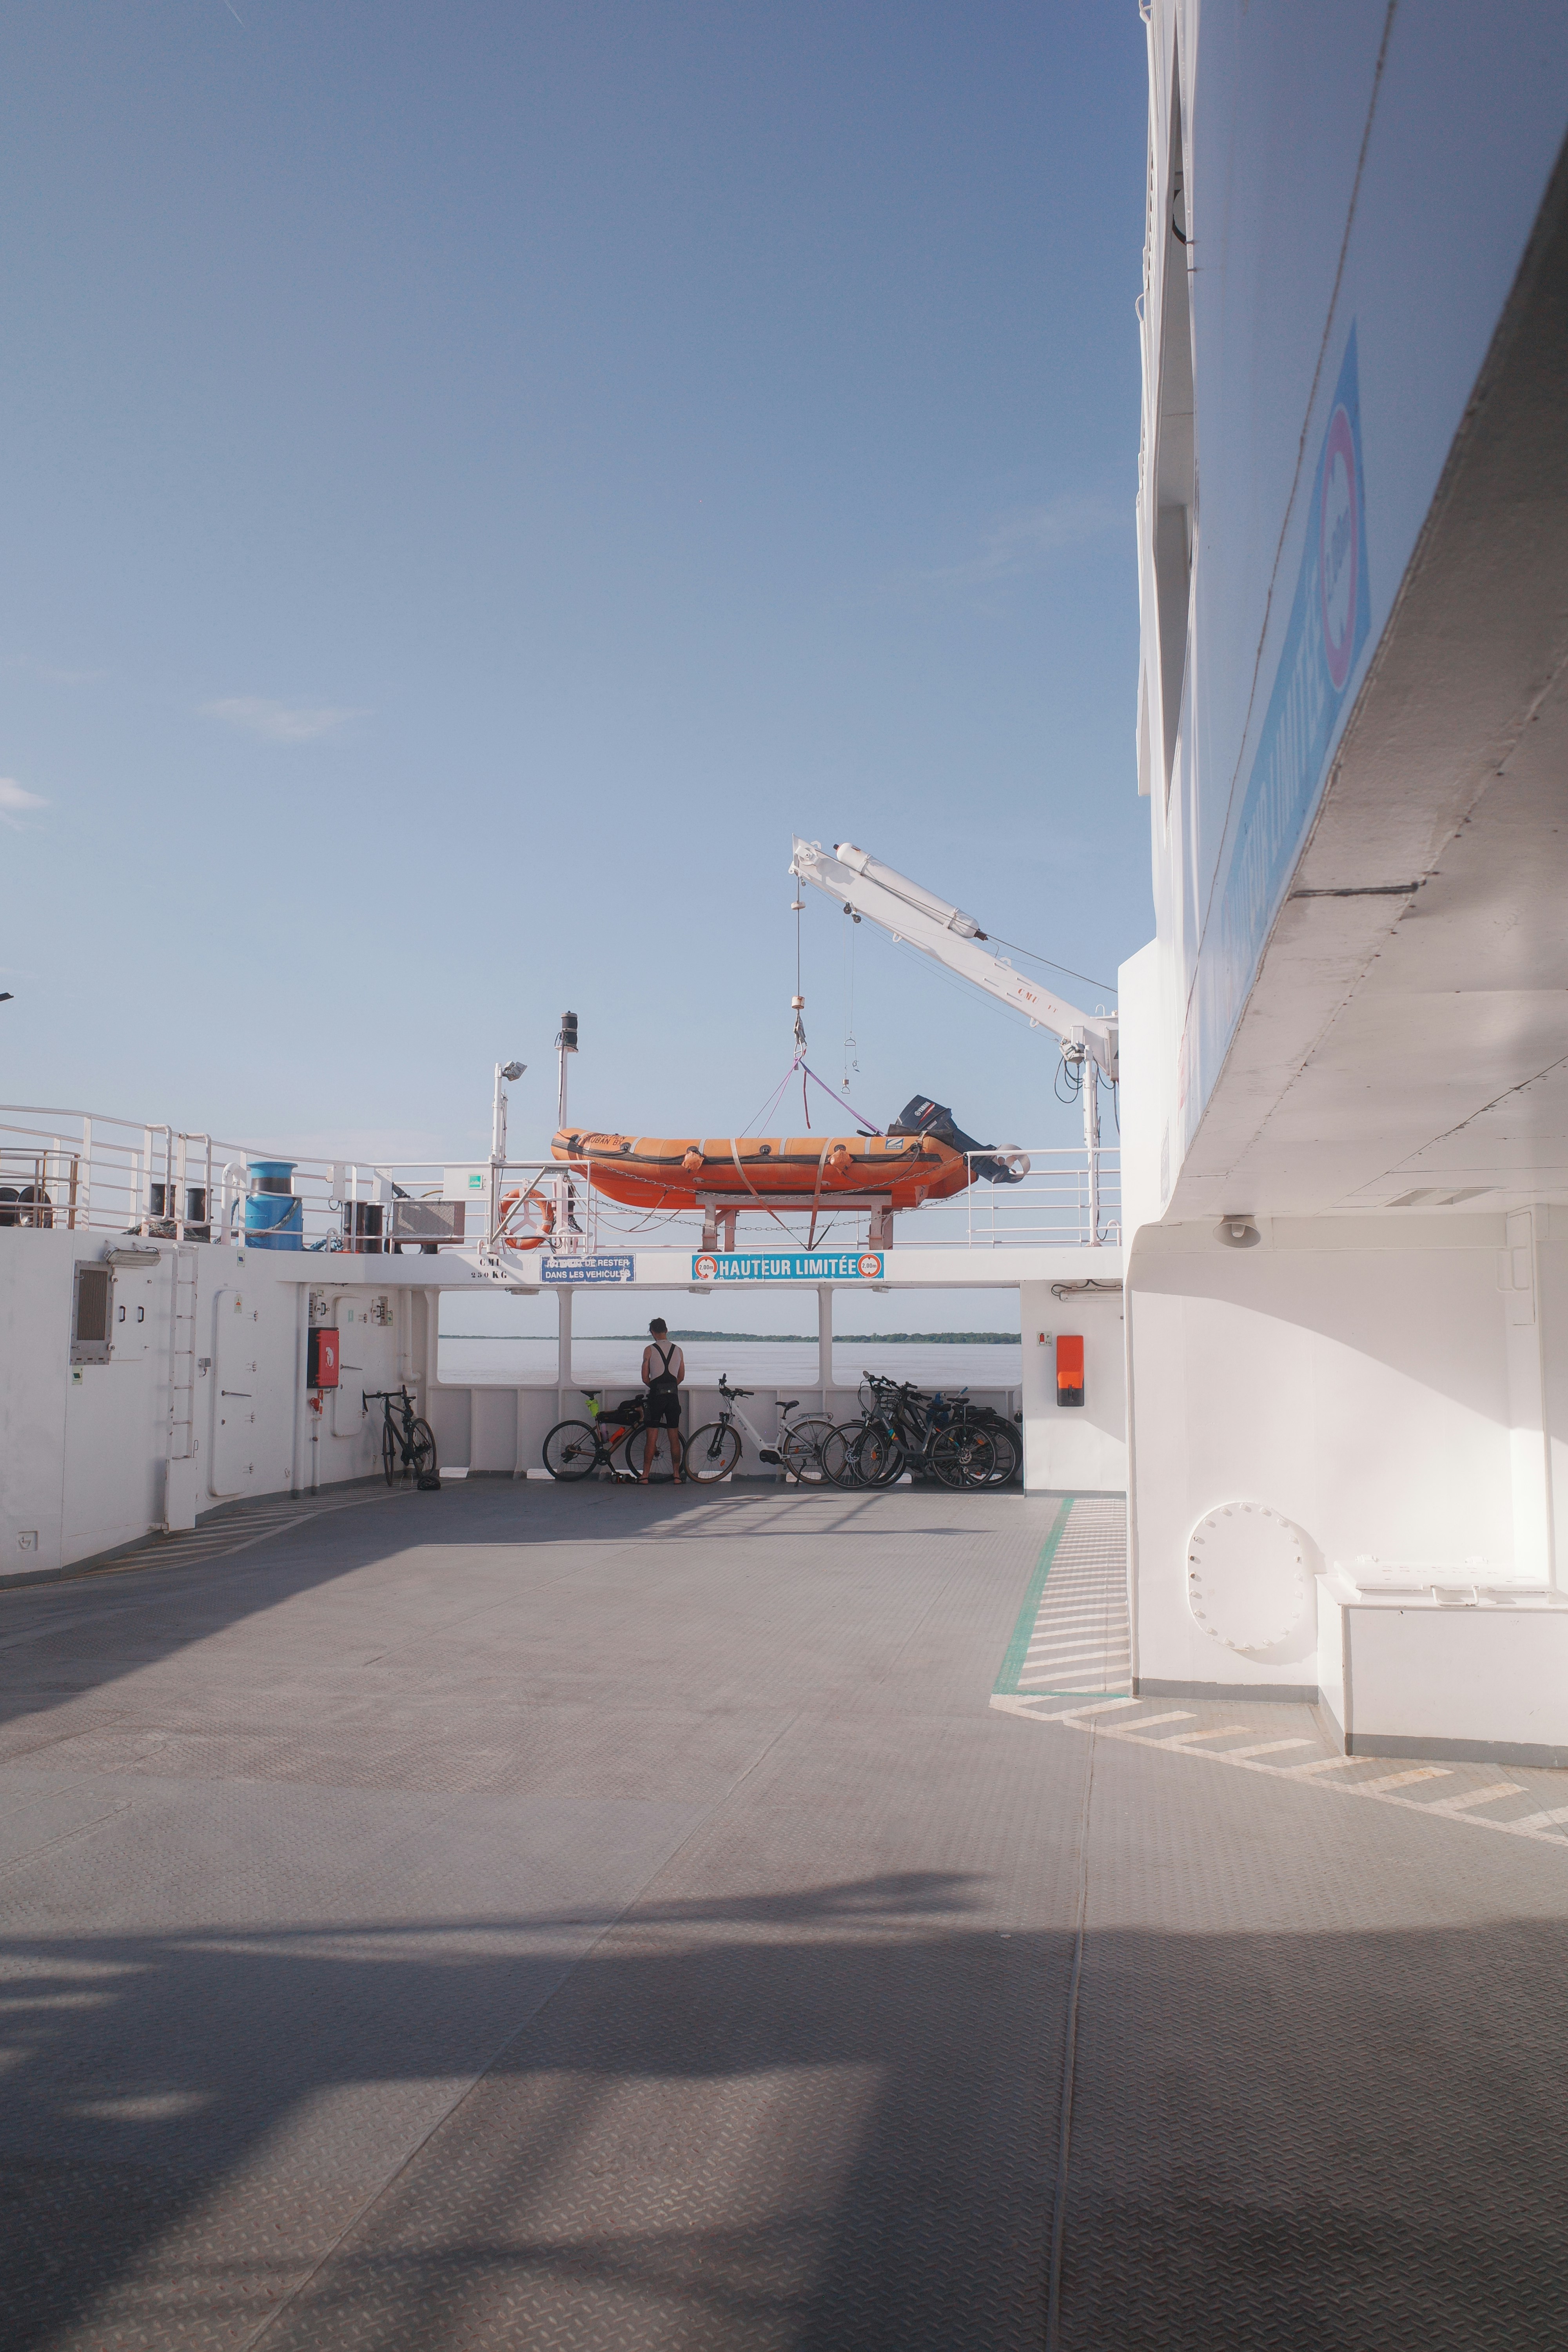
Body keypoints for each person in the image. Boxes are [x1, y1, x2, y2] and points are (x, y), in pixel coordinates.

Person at [640, 1318, 685, 1483]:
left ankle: (645, 1475)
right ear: (667, 1330)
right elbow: (681, 1377)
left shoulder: (649, 1350)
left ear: (652, 1332)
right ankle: (677, 1476)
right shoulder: (678, 1350)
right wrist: (671, 1387)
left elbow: (645, 1377)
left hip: (656, 1398)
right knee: (674, 1436)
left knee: (652, 1437)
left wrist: (655, 1387)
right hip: (673, 1397)